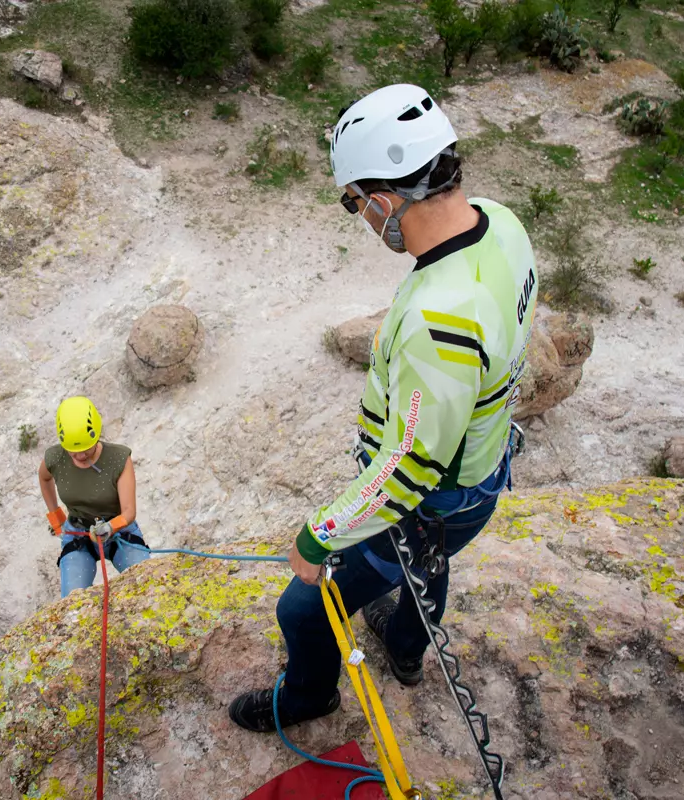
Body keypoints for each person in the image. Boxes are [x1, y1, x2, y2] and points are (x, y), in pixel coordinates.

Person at [229, 84, 539, 733]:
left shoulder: (440, 322)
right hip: (480, 471)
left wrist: (319, 536)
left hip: (436, 494)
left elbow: (408, 470)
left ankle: (310, 697)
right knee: (430, 560)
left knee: (302, 610)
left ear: (382, 199)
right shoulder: (500, 223)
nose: (360, 217)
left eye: (354, 204)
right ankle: (405, 650)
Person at [40, 396, 150, 598]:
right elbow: (44, 478)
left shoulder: (118, 459)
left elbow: (129, 512)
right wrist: (56, 517)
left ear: (97, 434)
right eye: (74, 452)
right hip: (78, 533)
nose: (81, 456)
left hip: (118, 532)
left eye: (86, 449)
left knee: (148, 587)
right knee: (71, 604)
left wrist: (110, 527)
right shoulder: (55, 458)